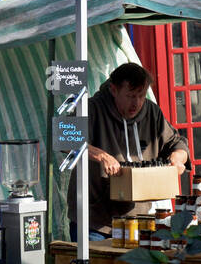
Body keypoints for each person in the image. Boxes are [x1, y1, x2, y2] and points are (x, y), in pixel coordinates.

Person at [67, 62, 190, 240]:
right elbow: (63, 138)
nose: (137, 103)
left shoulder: (152, 112)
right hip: (94, 221)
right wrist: (101, 156)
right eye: (131, 96)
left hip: (138, 219)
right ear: (113, 89)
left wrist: (178, 157)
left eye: (141, 95)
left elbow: (176, 142)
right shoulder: (91, 108)